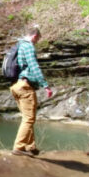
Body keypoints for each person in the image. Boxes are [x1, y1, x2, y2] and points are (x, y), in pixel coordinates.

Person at [10, 25, 53, 156]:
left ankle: (30, 146)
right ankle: (19, 147)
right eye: (37, 39)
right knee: (29, 118)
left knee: (27, 117)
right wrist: (45, 85)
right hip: (25, 86)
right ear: (34, 36)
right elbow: (34, 66)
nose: (36, 42)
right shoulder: (28, 46)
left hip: (17, 85)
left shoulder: (18, 46)